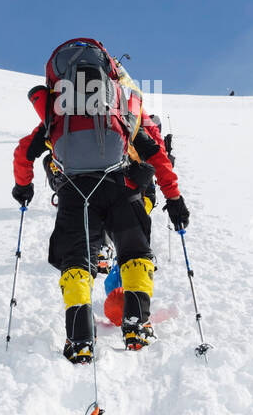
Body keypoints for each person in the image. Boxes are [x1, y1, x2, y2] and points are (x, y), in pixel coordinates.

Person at [11, 39, 188, 364]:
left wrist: (23, 187)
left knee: (76, 261)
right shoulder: (120, 106)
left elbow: (24, 151)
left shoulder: (57, 112)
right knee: (136, 253)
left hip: (73, 192)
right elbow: (156, 154)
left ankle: (79, 337)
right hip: (120, 185)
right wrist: (173, 197)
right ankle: (136, 324)